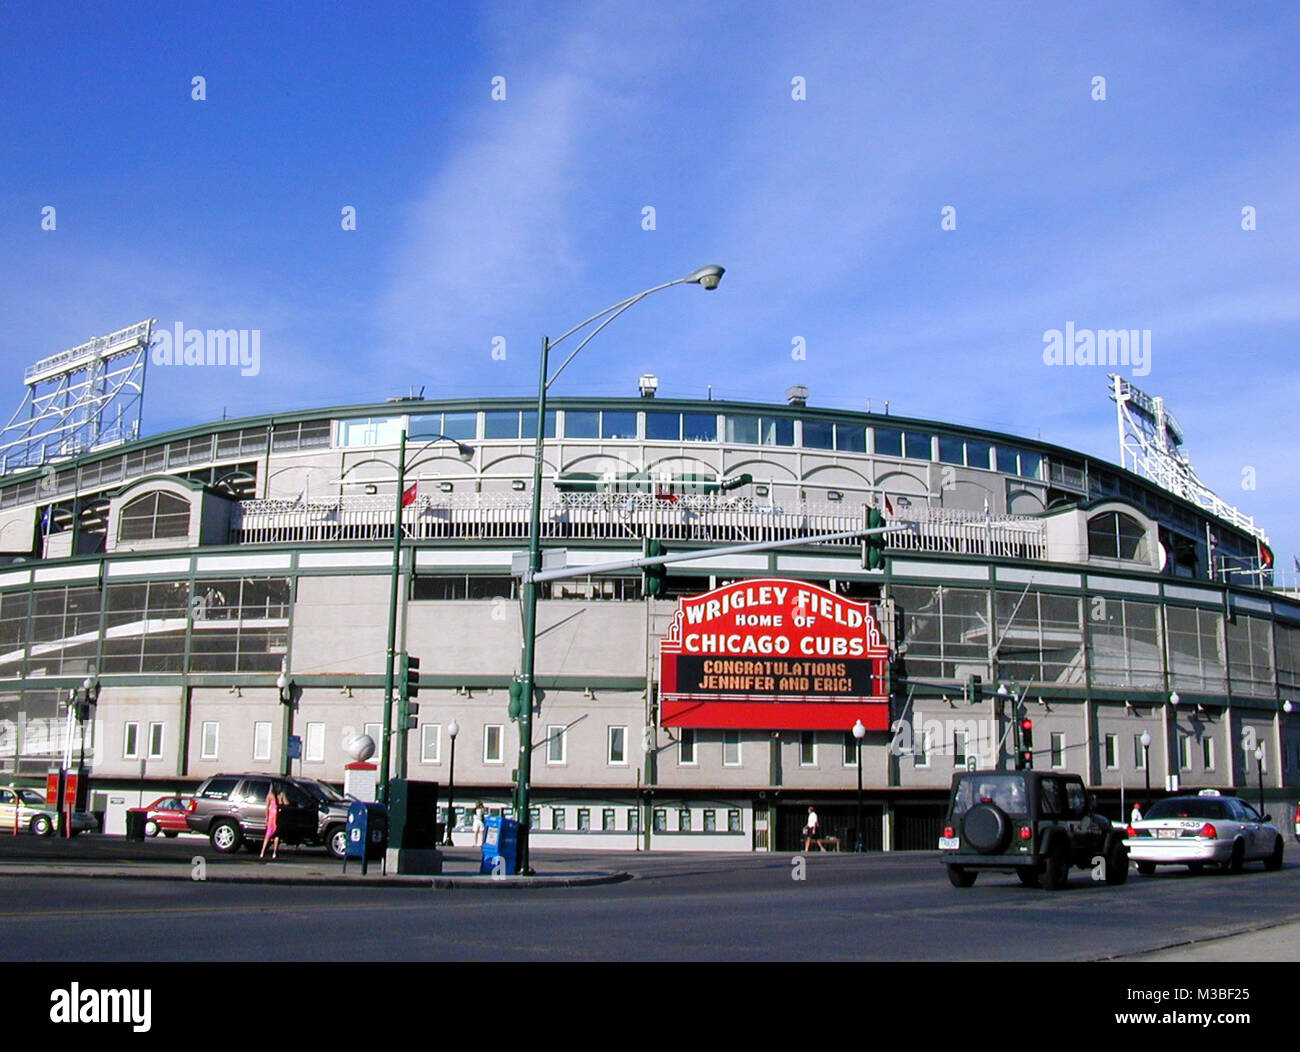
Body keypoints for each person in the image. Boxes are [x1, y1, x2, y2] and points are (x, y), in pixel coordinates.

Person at [261, 786, 286, 860]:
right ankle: (275, 852)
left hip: (271, 816)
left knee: (268, 834)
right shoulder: (280, 796)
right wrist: (282, 797)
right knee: (277, 834)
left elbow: (267, 807)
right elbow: (284, 804)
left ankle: (262, 851)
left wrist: (266, 817)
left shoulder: (269, 796)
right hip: (277, 816)